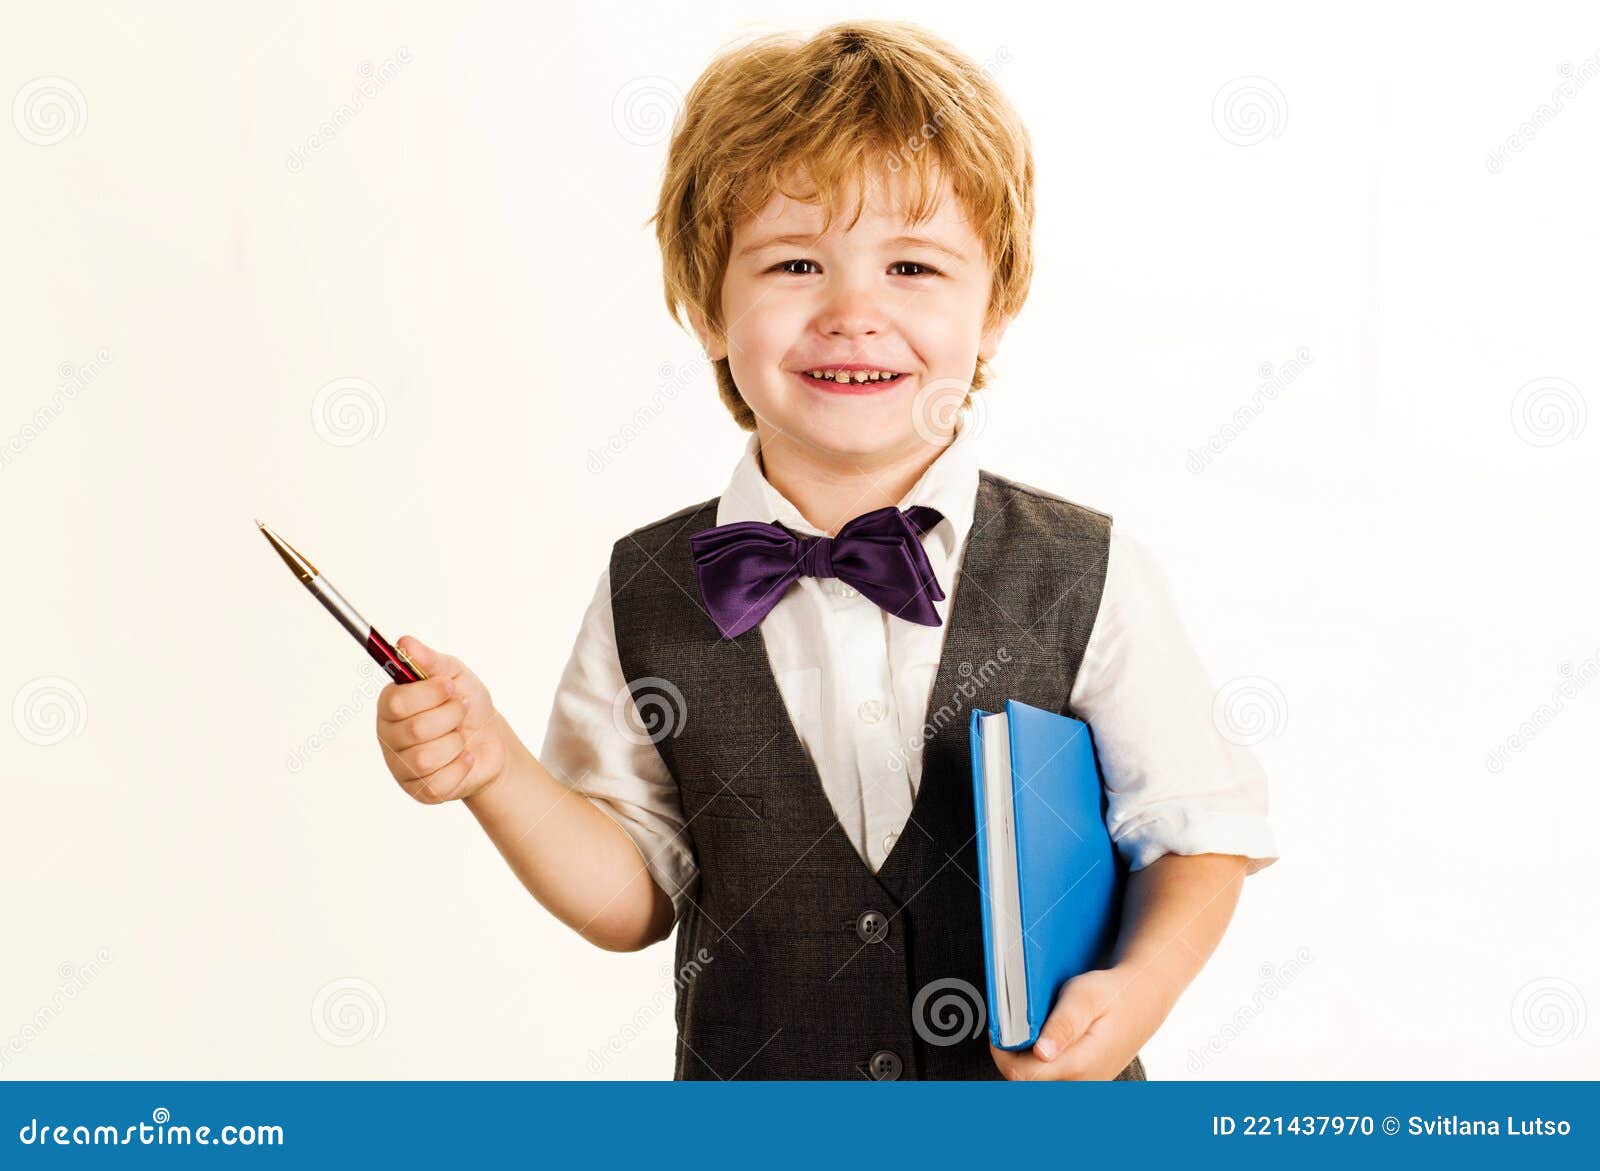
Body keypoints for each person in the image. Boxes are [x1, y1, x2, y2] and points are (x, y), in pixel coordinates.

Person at [374, 19, 1279, 1081]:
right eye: (796, 262)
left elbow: (1194, 833)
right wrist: (494, 771)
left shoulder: (1087, 568)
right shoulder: (647, 589)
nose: (855, 313)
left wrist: (1138, 991)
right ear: (708, 305)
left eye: (912, 266)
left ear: (997, 308)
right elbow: (630, 900)